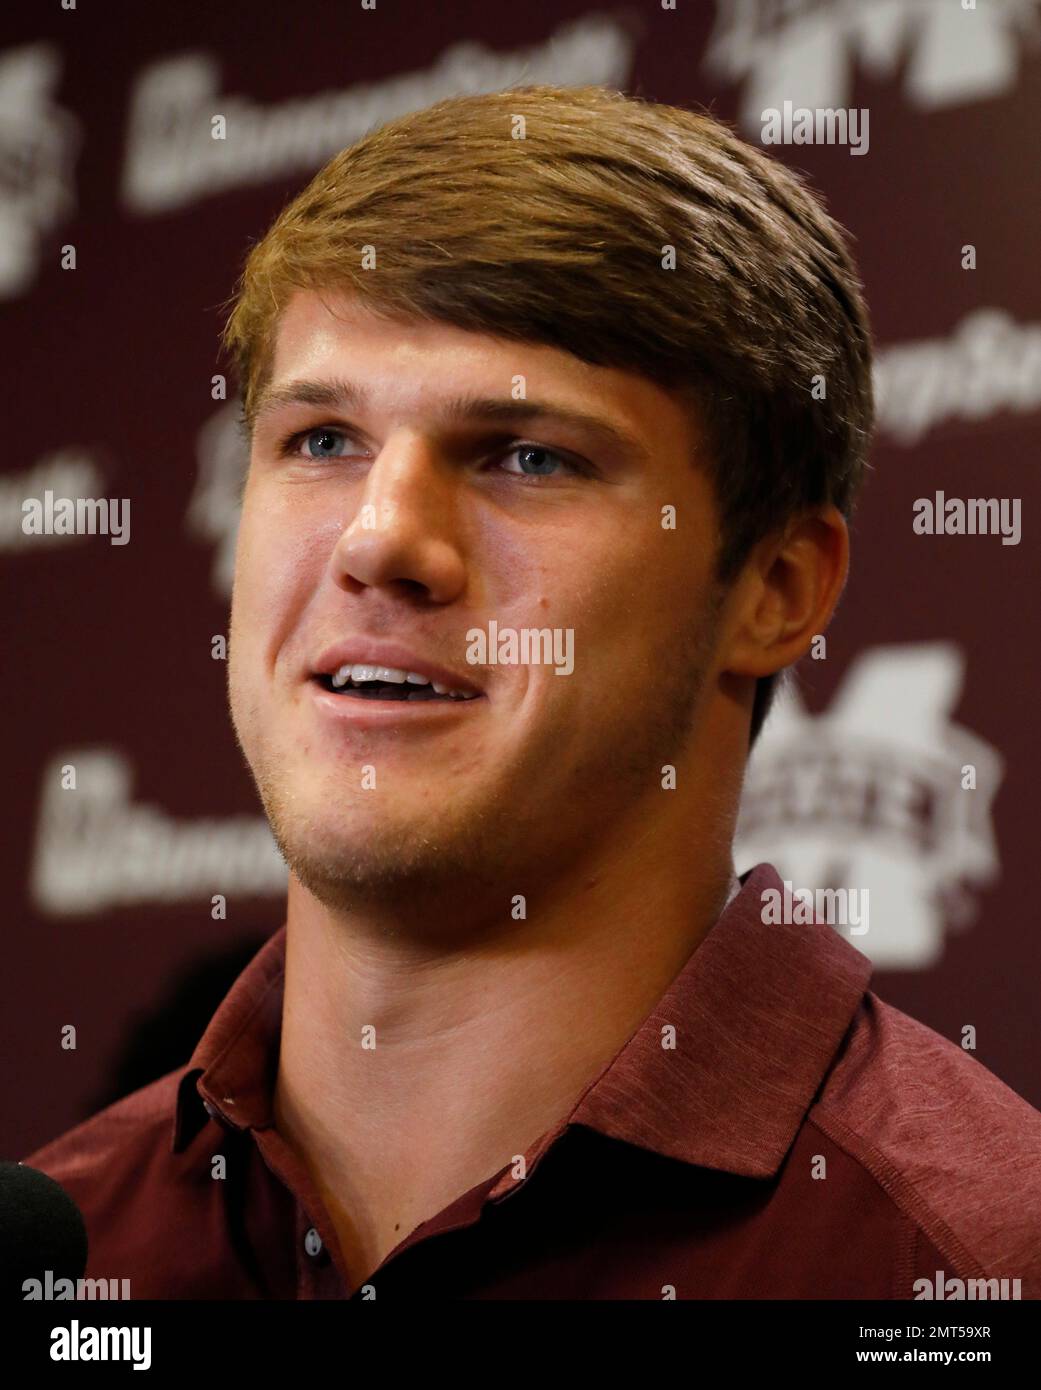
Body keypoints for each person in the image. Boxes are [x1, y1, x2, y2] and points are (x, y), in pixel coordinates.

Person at [25, 84, 1041, 1300]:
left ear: (776, 587)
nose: (380, 538)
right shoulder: (66, 1257)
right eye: (322, 440)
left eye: (529, 457)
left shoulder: (975, 1270)